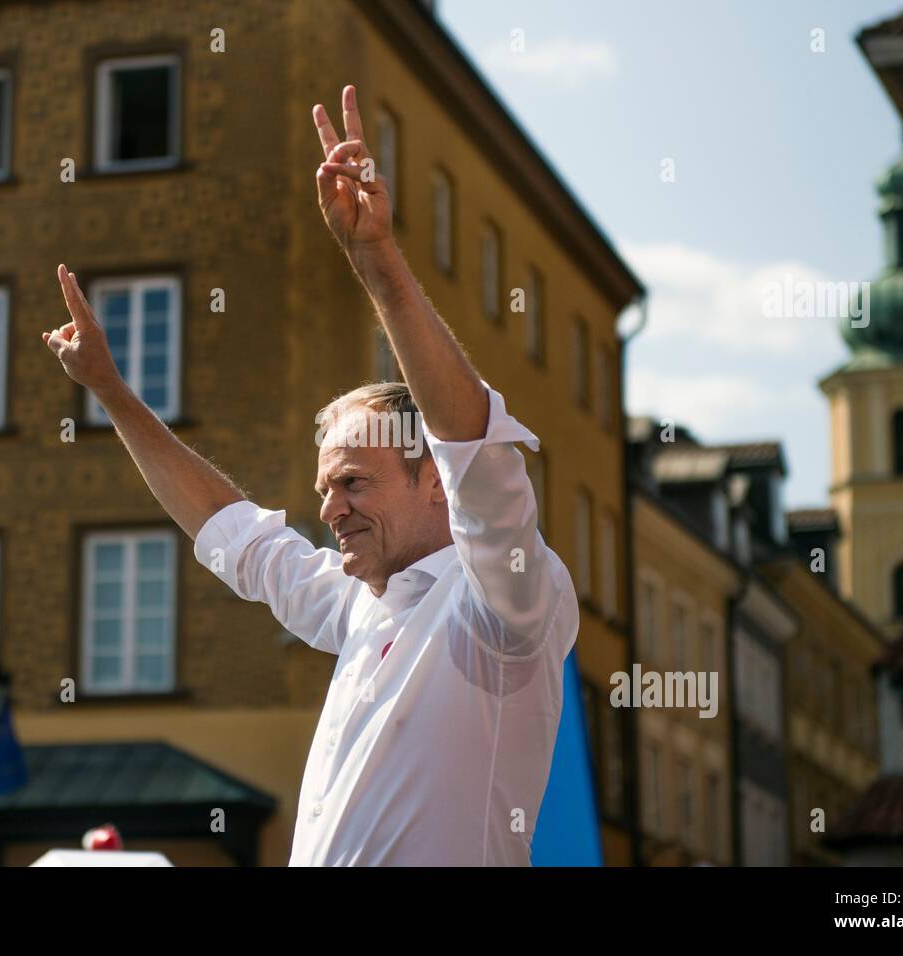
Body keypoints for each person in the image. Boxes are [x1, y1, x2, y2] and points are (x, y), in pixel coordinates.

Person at [41, 85, 579, 866]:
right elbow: (241, 538)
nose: (330, 508)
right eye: (326, 486)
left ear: (436, 480)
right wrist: (113, 394)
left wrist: (377, 259)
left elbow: (474, 446)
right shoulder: (363, 607)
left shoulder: (501, 606)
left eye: (354, 482)